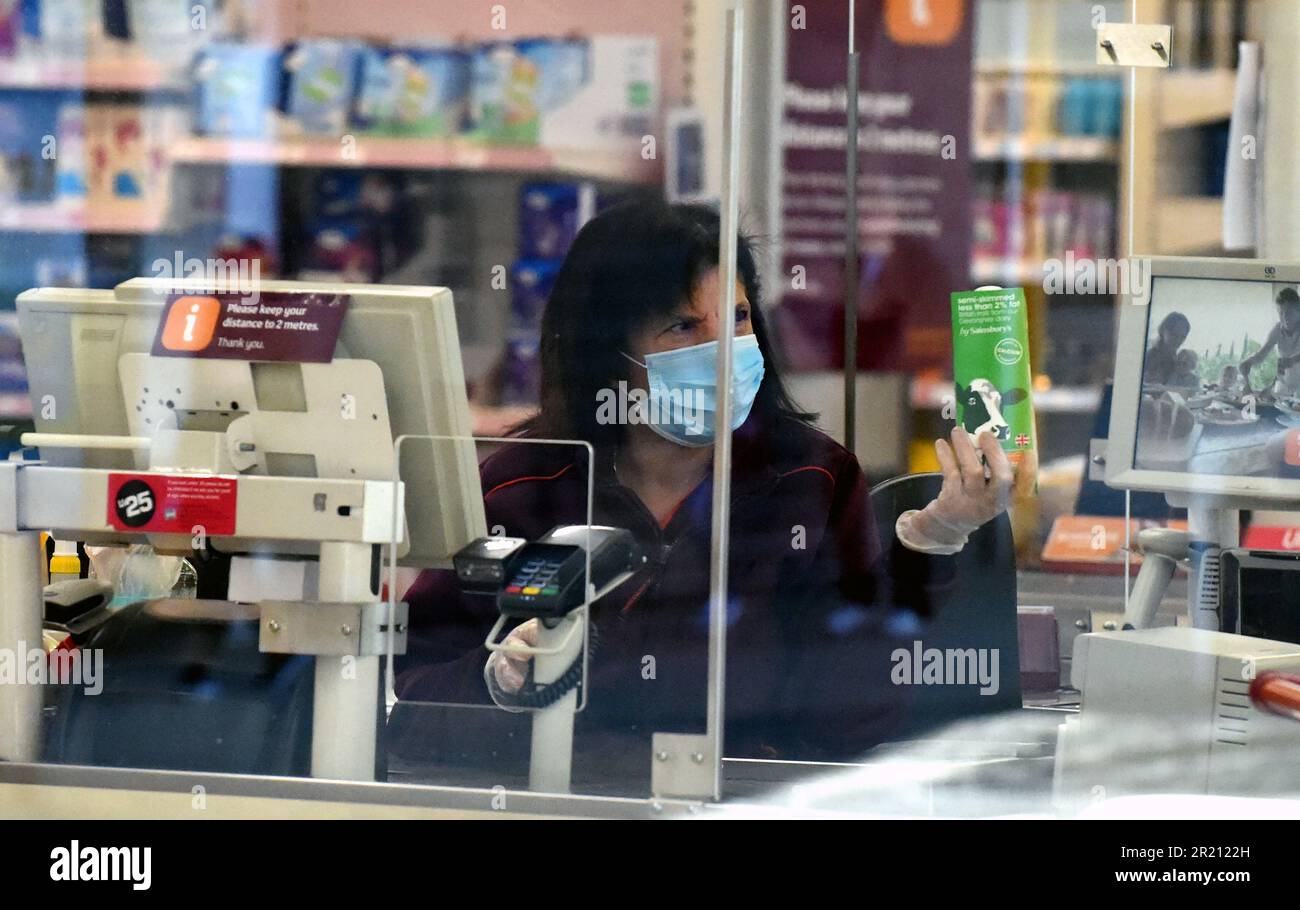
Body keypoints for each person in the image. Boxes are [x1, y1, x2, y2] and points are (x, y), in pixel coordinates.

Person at [391, 201, 1018, 784]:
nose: (720, 353)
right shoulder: (526, 485)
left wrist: (933, 542)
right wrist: (499, 683)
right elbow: (415, 690)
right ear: (604, 354)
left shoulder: (810, 481)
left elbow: (851, 717)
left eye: (738, 319)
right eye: (682, 326)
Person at [1241, 288, 1300, 396]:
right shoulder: (1278, 329)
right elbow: (1261, 355)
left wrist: (1293, 360)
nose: (1284, 317)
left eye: (1289, 312)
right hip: (1285, 389)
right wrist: (1248, 362)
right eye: (1281, 313)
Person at [1144, 311, 1190, 385]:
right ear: (1163, 330)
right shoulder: (1150, 357)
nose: (1178, 340)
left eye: (1182, 337)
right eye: (1174, 334)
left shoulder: (1178, 361)